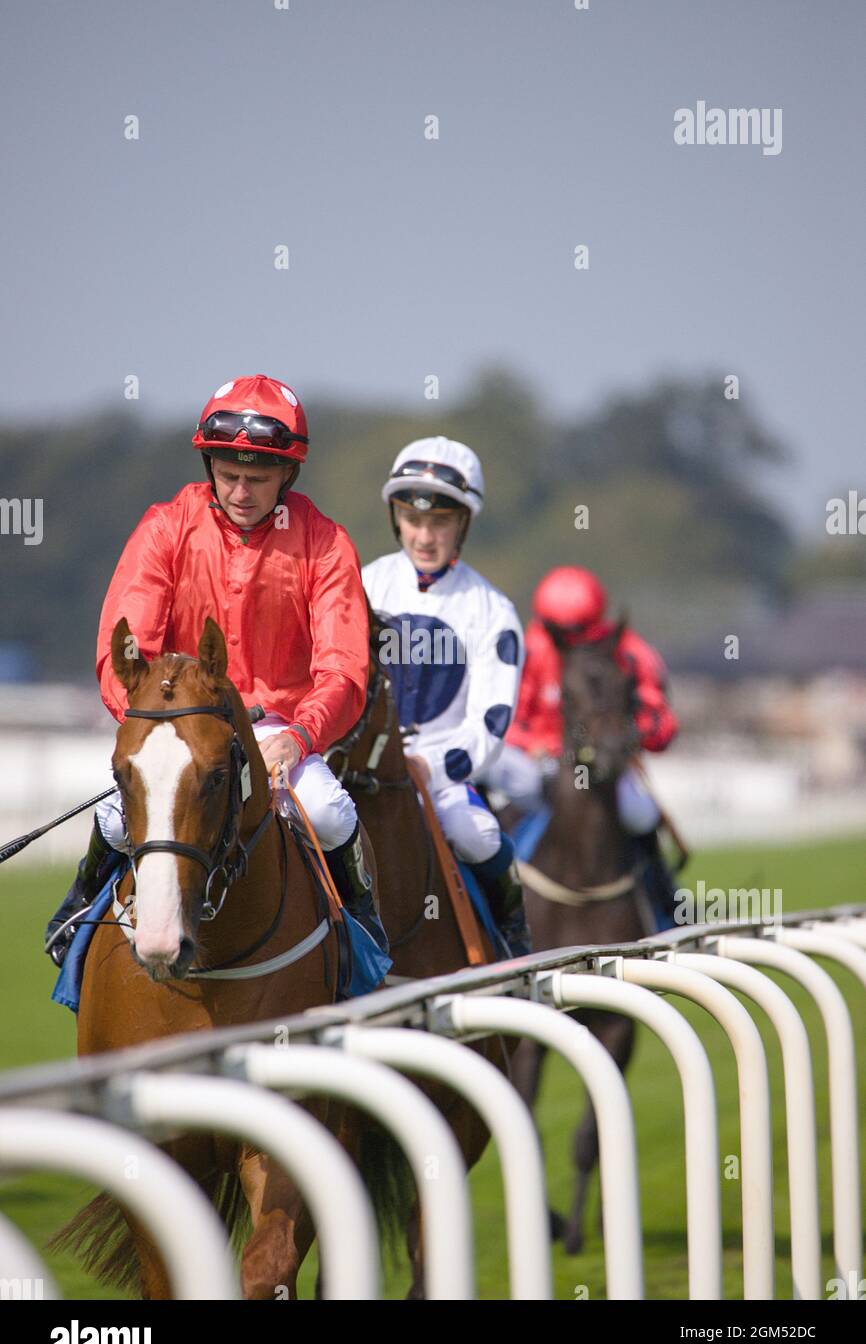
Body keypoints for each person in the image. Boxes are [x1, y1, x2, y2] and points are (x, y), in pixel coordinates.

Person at [45, 374, 384, 966]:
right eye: (229, 475)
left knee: (331, 814)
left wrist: (300, 738)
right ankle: (76, 917)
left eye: (258, 478)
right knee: (117, 819)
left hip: (279, 730)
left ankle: (363, 939)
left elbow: (344, 671)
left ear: (289, 476)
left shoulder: (326, 544)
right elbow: (122, 652)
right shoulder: (165, 527)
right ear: (210, 467)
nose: (242, 491)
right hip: (180, 721)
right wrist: (154, 726)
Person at [362, 435, 531, 957]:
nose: (425, 536)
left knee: (477, 832)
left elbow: (491, 722)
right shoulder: (362, 586)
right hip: (363, 763)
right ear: (396, 517)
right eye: (413, 520)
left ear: (463, 524)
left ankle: (512, 935)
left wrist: (429, 768)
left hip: (441, 775)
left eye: (440, 522)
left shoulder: (492, 609)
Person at [485, 565, 680, 919]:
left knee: (641, 813)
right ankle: (492, 902)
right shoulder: (523, 650)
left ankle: (664, 904)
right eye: (558, 631)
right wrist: (534, 745)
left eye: (579, 630)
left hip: (605, 762)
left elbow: (662, 723)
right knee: (495, 800)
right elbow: (500, 718)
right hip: (535, 759)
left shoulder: (628, 652)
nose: (570, 642)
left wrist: (627, 735)